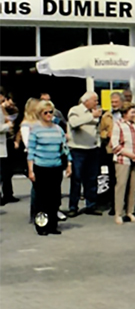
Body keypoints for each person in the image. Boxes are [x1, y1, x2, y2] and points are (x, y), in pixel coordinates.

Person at [27, 100, 71, 235]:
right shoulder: (36, 129)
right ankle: (41, 226)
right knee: (41, 199)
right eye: (45, 113)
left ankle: (53, 225)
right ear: (40, 114)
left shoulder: (58, 129)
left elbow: (65, 148)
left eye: (50, 112)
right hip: (41, 167)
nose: (48, 115)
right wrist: (30, 170)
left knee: (54, 198)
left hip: (56, 167)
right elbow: (31, 151)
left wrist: (69, 164)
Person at [110, 102, 135, 224]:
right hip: (123, 160)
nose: (134, 114)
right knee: (121, 186)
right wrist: (129, 154)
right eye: (132, 112)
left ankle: (130, 211)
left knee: (133, 186)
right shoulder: (118, 125)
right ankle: (118, 213)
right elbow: (115, 145)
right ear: (125, 113)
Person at [0, 87, 13, 205]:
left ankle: (8, 194)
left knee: (5, 171)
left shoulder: (1, 109)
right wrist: (8, 126)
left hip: (3, 144)